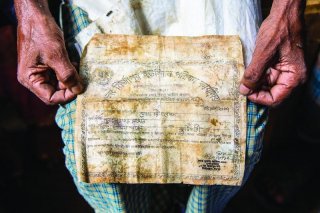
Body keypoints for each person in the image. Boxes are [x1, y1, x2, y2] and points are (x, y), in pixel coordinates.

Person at [13, 0, 307, 212]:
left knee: (228, 154)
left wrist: (288, 10)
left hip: (220, 8)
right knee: (98, 163)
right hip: (100, 7)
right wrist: (30, 10)